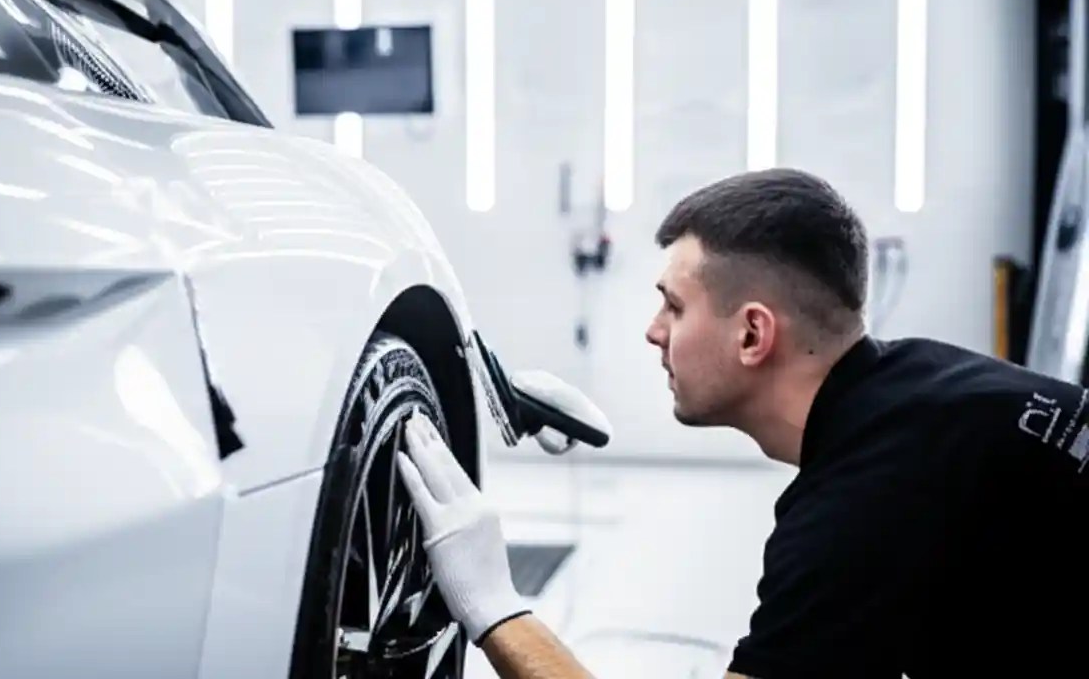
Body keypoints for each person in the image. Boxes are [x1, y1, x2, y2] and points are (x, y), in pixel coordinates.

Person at [396, 167, 1089, 679]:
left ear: (753, 334)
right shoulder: (925, 392)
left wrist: (497, 609)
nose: (653, 331)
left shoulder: (861, 509)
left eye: (674, 306)